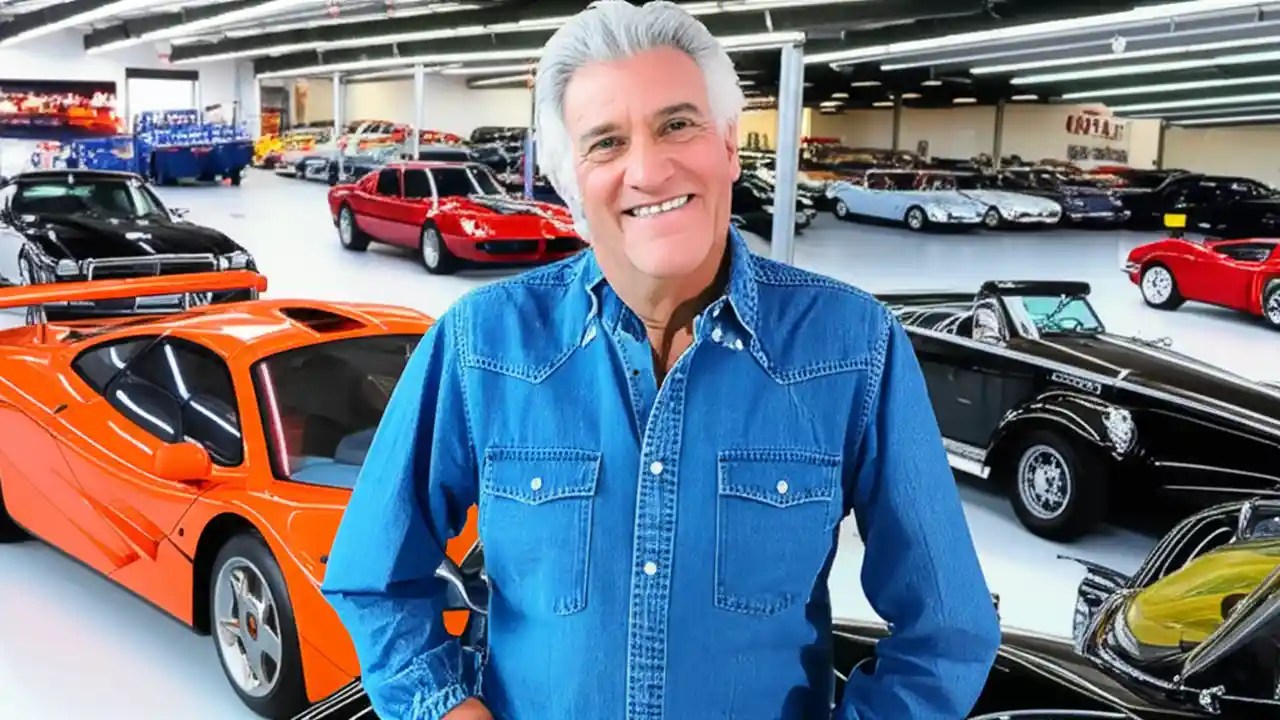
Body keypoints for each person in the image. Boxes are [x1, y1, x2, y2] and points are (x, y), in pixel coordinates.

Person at [321, 2, 1001, 719]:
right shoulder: (480, 346)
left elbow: (946, 632)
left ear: (730, 146)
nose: (648, 168)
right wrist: (443, 708)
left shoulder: (853, 347)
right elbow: (374, 576)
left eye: (678, 124)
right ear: (568, 184)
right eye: (605, 143)